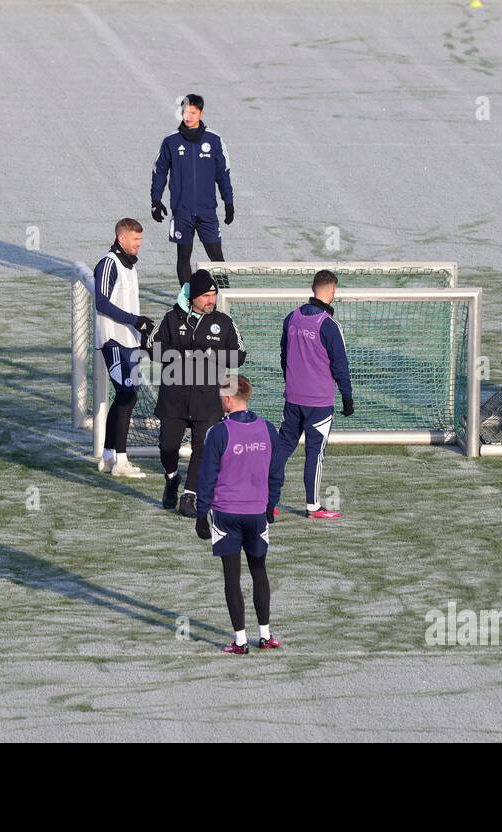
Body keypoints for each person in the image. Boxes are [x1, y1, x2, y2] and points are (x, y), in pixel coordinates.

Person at [195, 375, 284, 655]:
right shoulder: (268, 430)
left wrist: (201, 513)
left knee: (231, 578)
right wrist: (271, 504)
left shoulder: (219, 433)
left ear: (230, 399)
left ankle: (240, 641)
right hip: (256, 512)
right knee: (259, 572)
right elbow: (276, 472)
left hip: (225, 514)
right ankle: (266, 635)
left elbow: (206, 476)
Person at [152, 269, 246, 517]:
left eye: (213, 295)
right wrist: (181, 355)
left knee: (202, 449)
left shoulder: (224, 322)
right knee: (167, 447)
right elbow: (153, 348)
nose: (211, 300)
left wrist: (212, 355)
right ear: (193, 296)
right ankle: (172, 478)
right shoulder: (171, 318)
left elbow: (240, 355)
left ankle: (189, 496)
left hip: (209, 401)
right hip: (174, 398)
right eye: (205, 295)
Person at [278, 270, 353, 518]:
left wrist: (292, 382)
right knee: (315, 453)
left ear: (313, 289)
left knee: (283, 447)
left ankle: (267, 501)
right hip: (319, 403)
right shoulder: (329, 325)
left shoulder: (291, 318)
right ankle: (312, 507)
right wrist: (347, 397)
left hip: (292, 398)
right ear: (332, 291)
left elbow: (284, 356)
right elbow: (340, 365)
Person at [150, 93, 235, 287]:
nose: (188, 117)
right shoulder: (170, 141)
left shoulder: (214, 140)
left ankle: (225, 298)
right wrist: (156, 200)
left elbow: (223, 173)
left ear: (201, 113)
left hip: (207, 211)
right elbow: (159, 171)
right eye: (185, 112)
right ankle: (187, 301)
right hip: (182, 211)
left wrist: (228, 202)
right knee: (183, 255)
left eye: (193, 113)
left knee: (216, 256)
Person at [93, 218, 155, 477]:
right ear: (122, 238)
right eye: (135, 240)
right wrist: (134, 320)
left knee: (126, 397)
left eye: (140, 240)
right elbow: (101, 302)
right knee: (127, 395)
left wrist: (140, 332)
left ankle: (109, 455)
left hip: (130, 342)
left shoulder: (130, 266)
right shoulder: (109, 263)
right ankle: (120, 460)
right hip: (113, 341)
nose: (139, 244)